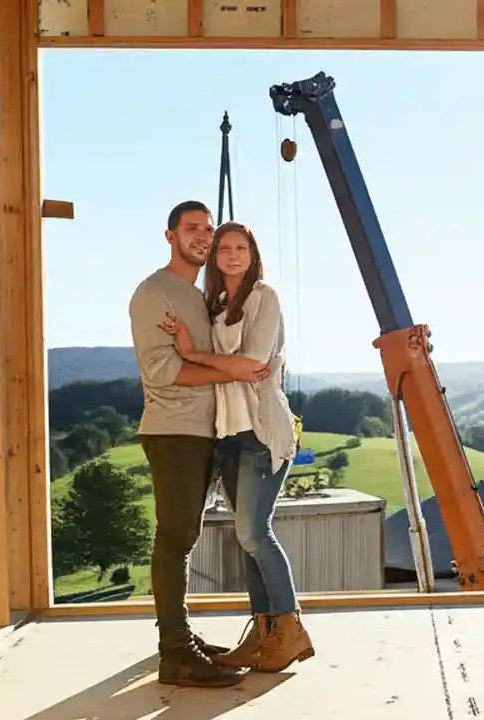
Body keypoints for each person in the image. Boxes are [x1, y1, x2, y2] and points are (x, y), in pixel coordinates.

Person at [160, 220, 315, 673]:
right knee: (247, 540)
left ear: (253, 254)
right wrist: (189, 344)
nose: (231, 255)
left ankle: (290, 628)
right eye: (223, 248)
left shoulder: (264, 297)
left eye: (240, 248)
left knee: (253, 531)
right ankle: (263, 632)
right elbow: (238, 369)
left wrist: (194, 355)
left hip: (263, 432)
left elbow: (253, 363)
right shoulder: (214, 305)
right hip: (226, 436)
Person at [129, 201, 271, 688]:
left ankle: (182, 637)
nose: (203, 237)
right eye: (192, 229)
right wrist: (229, 369)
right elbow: (162, 372)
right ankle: (176, 654)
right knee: (174, 539)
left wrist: (205, 358)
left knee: (184, 538)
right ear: (169, 235)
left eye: (208, 229)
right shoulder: (154, 293)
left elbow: (204, 358)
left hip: (204, 432)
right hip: (173, 432)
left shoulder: (197, 295)